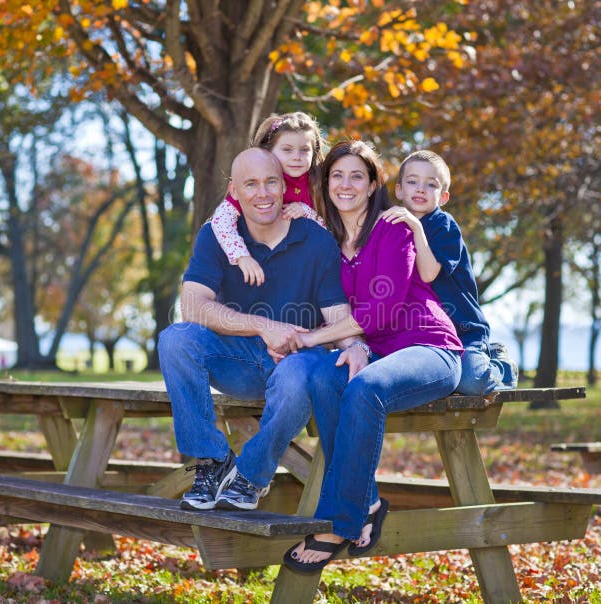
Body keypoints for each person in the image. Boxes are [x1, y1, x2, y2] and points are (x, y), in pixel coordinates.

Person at [281, 140, 463, 573]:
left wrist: (310, 339)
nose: (346, 184)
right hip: (376, 349)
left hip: (429, 346)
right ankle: (368, 501)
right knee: (326, 377)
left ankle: (339, 523)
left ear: (372, 185)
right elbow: (333, 308)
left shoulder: (393, 227)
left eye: (356, 176)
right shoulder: (326, 242)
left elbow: (380, 310)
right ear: (325, 184)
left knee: (364, 388)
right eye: (337, 175)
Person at [158, 147, 368, 512]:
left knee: (299, 376)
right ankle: (211, 461)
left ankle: (251, 475)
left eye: (271, 182)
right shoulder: (218, 236)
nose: (263, 193)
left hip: (295, 360)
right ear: (234, 191)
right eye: (251, 184)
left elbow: (336, 312)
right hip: (234, 358)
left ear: (285, 185)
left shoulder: (316, 239)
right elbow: (192, 305)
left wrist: (356, 346)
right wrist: (262, 326)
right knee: (174, 340)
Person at [381, 149, 518, 395]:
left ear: (443, 197)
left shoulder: (444, 226)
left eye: (430, 184)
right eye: (412, 182)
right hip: (424, 333)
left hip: (462, 328)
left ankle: (501, 366)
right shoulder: (392, 227)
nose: (420, 189)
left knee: (471, 382)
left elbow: (428, 273)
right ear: (399, 190)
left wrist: (415, 227)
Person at [211, 111, 326, 287]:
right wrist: (241, 256)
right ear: (268, 150)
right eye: (287, 150)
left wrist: (307, 211)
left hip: (305, 275)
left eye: (304, 150)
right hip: (257, 270)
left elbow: (330, 233)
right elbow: (221, 220)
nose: (297, 156)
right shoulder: (254, 182)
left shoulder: (317, 183)